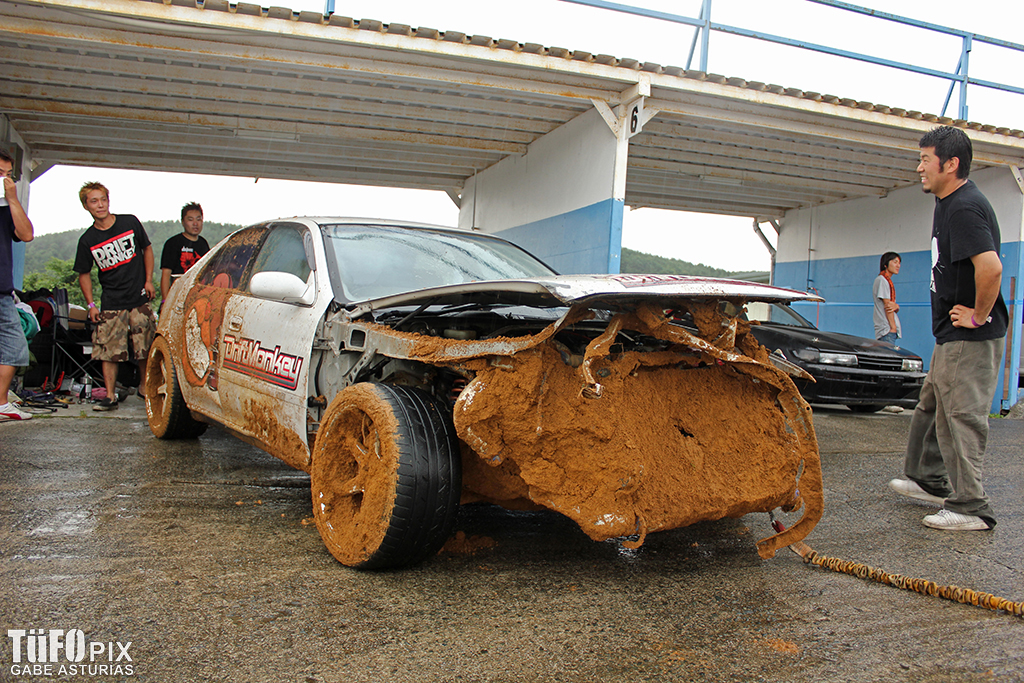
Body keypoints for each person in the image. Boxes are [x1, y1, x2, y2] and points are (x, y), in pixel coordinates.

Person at [888, 126, 1008, 531]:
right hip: (950, 333)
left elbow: (991, 268)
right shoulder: (946, 201)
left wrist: (977, 314)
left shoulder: (964, 207)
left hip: (970, 336)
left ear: (951, 164)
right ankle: (928, 479)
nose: (919, 167)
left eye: (925, 159)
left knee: (961, 416)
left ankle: (971, 507)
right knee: (931, 406)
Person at [73, 182, 157, 411]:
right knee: (109, 350)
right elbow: (84, 274)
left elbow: (147, 249)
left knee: (145, 346)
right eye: (94, 201)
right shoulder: (87, 240)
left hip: (139, 297)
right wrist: (91, 304)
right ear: (86, 206)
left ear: (108, 201)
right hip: (111, 301)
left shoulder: (129, 222)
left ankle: (145, 388)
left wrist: (149, 280)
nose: (100, 205)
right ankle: (109, 396)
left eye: (103, 199)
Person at [0, 149, 35, 422]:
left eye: (9, 174)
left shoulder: (5, 208)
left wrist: (12, 199)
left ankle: (1, 403)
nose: (6, 179)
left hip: (2, 291)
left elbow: (26, 234)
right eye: (1, 173)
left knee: (14, 346)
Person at [159, 201, 209, 302]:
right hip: (177, 297)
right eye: (190, 220)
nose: (195, 223)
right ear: (182, 221)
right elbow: (166, 274)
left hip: (197, 297)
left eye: (198, 219)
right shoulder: (173, 243)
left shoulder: (203, 244)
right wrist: (165, 301)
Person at [873, 251, 901, 344]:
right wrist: (893, 328)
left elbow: (892, 305)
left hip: (887, 330)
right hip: (886, 330)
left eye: (899, 263)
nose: (898, 265)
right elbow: (888, 306)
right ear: (885, 264)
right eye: (895, 262)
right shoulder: (882, 280)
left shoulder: (886, 281)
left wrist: (896, 306)